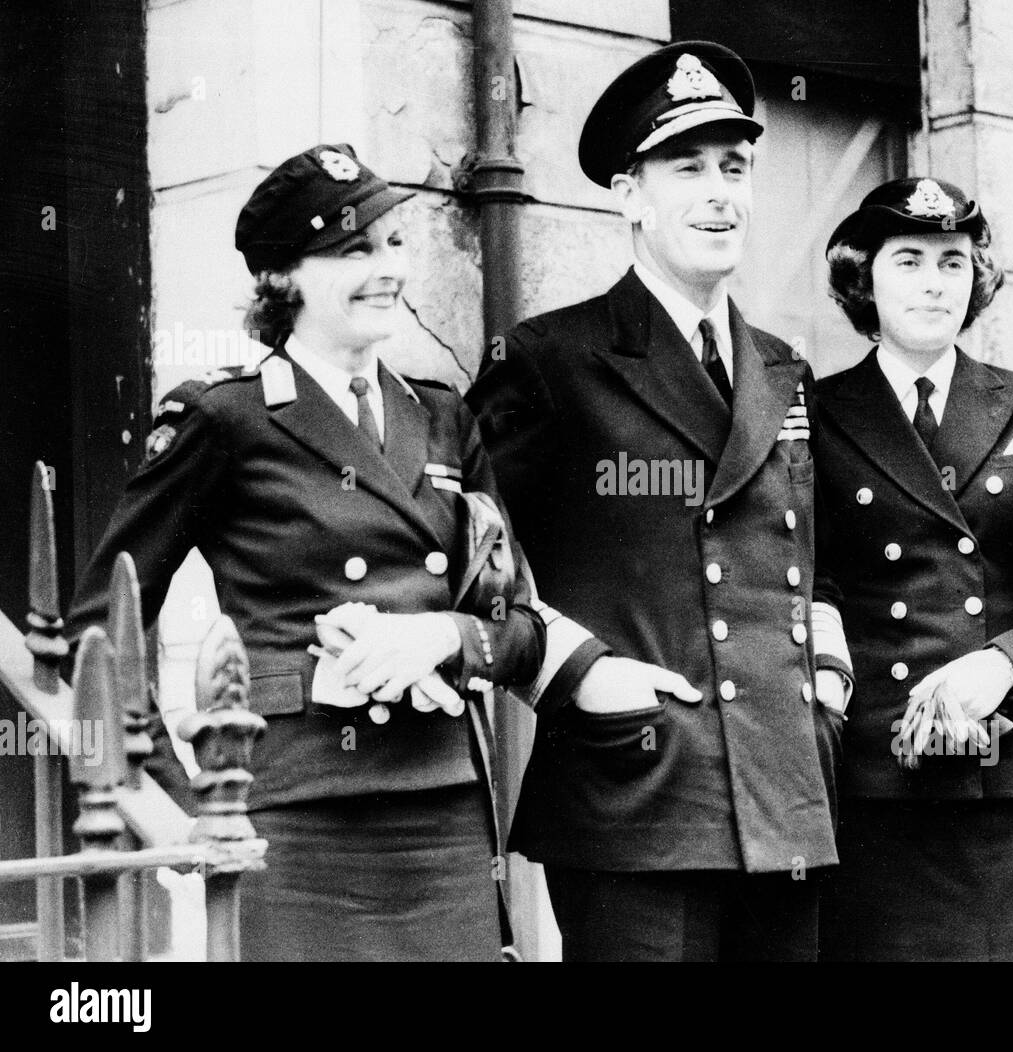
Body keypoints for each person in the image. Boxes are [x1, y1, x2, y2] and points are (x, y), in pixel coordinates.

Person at [67, 143, 544, 962]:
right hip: (292, 816)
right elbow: (99, 626)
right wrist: (180, 800)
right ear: (284, 278)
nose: (386, 268)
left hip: (444, 812)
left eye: (392, 243)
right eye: (353, 250)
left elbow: (520, 627)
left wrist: (445, 637)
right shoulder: (225, 419)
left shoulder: (440, 418)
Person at [467, 41, 852, 963]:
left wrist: (829, 682)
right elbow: (471, 558)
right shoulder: (551, 362)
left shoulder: (782, 368)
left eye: (736, 167)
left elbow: (810, 557)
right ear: (629, 194)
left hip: (785, 792)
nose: (720, 192)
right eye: (687, 169)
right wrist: (577, 672)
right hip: (634, 793)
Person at [813, 176, 1013, 962]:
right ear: (865, 277)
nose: (934, 283)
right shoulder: (815, 413)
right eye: (910, 260)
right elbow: (805, 579)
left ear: (977, 279)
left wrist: (1006, 662)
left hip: (1006, 787)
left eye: (953, 263)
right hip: (878, 783)